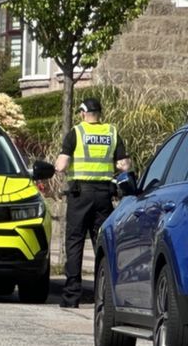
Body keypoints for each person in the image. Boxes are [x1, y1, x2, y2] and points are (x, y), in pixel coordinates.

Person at [55, 97, 131, 308]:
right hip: (104, 196)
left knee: (75, 242)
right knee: (102, 245)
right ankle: (104, 295)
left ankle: (71, 296)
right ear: (100, 113)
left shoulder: (76, 133)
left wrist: (57, 164)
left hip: (80, 196)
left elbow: (61, 165)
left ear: (82, 113)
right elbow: (124, 164)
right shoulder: (112, 132)